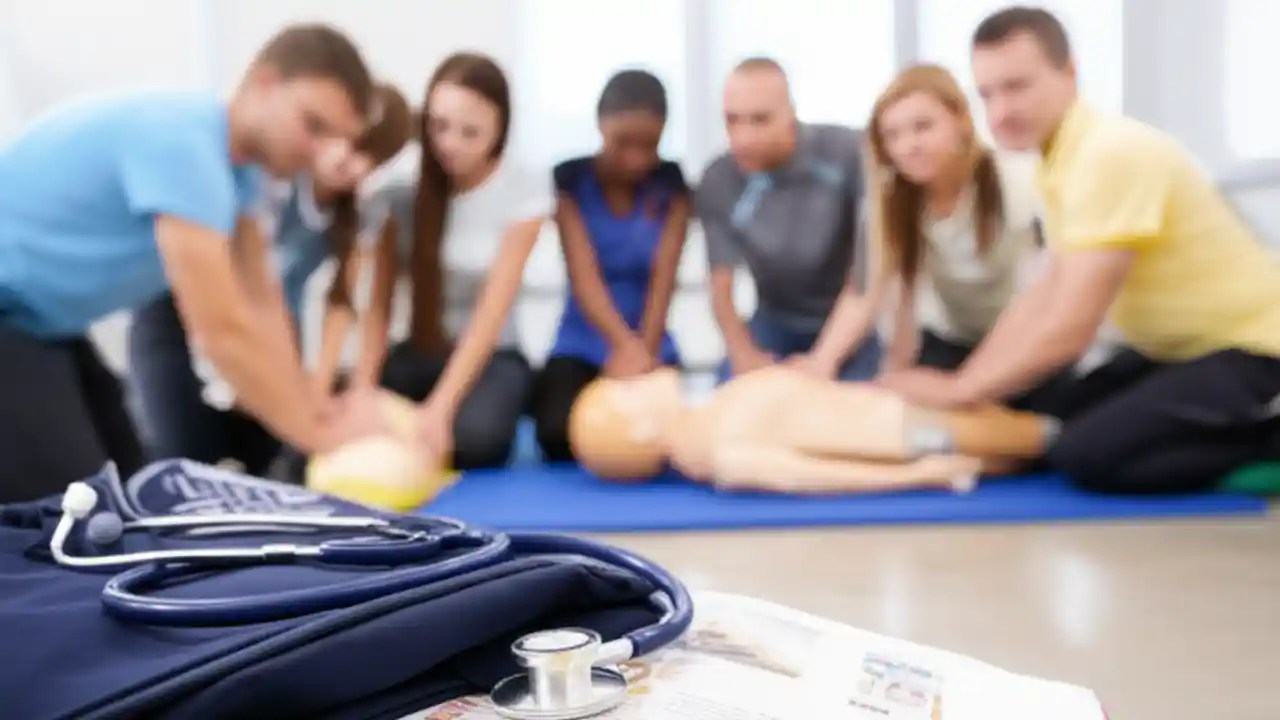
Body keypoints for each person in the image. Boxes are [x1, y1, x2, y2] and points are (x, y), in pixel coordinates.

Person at [880, 6, 1280, 494]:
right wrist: (967, 384)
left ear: (1069, 74)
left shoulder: (1107, 153)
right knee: (1040, 416)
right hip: (1174, 353)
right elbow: (1044, 293)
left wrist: (959, 390)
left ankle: (1268, 438)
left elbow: (1071, 327)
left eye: (1017, 86)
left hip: (1256, 352)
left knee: (1087, 456)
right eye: (987, 93)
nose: (1000, 111)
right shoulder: (1059, 159)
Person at [0, 24, 386, 503]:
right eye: (313, 125)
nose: (319, 151)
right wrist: (321, 440)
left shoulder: (242, 179)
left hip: (41, 325)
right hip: (10, 316)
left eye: (335, 137)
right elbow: (220, 330)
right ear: (265, 84)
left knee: (130, 495)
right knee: (71, 512)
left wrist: (312, 408)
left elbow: (262, 308)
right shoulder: (185, 141)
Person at [126, 83, 413, 476]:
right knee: (179, 458)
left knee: (281, 454)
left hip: (271, 328)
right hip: (186, 313)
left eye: (370, 155)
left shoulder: (357, 215)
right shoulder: (274, 179)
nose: (349, 159)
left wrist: (314, 392)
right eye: (347, 140)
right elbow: (226, 308)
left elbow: (339, 307)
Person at [342, 52, 552, 469]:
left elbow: (490, 316)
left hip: (493, 356)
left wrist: (439, 409)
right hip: (421, 349)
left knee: (478, 441)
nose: (450, 144)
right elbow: (379, 307)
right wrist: (362, 390)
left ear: (500, 131)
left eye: (470, 132)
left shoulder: (525, 187)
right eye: (438, 126)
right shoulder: (398, 185)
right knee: (346, 407)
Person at [794, 64, 1043, 390]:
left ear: (961, 120)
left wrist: (973, 382)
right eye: (893, 136)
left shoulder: (1015, 179)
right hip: (953, 341)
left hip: (1020, 338)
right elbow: (864, 290)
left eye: (922, 127)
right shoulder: (892, 200)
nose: (908, 145)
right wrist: (821, 362)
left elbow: (1045, 289)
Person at [566, 365, 1058, 493]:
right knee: (1055, 439)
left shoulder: (710, 416)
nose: (639, 378)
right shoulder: (719, 453)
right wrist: (922, 475)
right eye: (627, 392)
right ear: (639, 431)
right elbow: (812, 475)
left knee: (1051, 421)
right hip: (903, 434)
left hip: (901, 407)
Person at [532, 69, 690, 463]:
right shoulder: (569, 181)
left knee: (662, 442)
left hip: (651, 339)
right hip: (582, 341)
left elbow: (664, 278)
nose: (636, 158)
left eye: (649, 144)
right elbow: (584, 277)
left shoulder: (672, 186)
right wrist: (620, 346)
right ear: (600, 127)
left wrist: (642, 352)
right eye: (623, 143)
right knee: (555, 436)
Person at [695, 57, 879, 382]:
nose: (744, 138)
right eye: (732, 121)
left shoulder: (849, 153)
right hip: (774, 322)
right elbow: (720, 287)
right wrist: (742, 352)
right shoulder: (719, 179)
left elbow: (865, 277)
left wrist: (824, 360)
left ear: (790, 113)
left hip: (850, 322)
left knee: (851, 419)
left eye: (760, 120)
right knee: (733, 405)